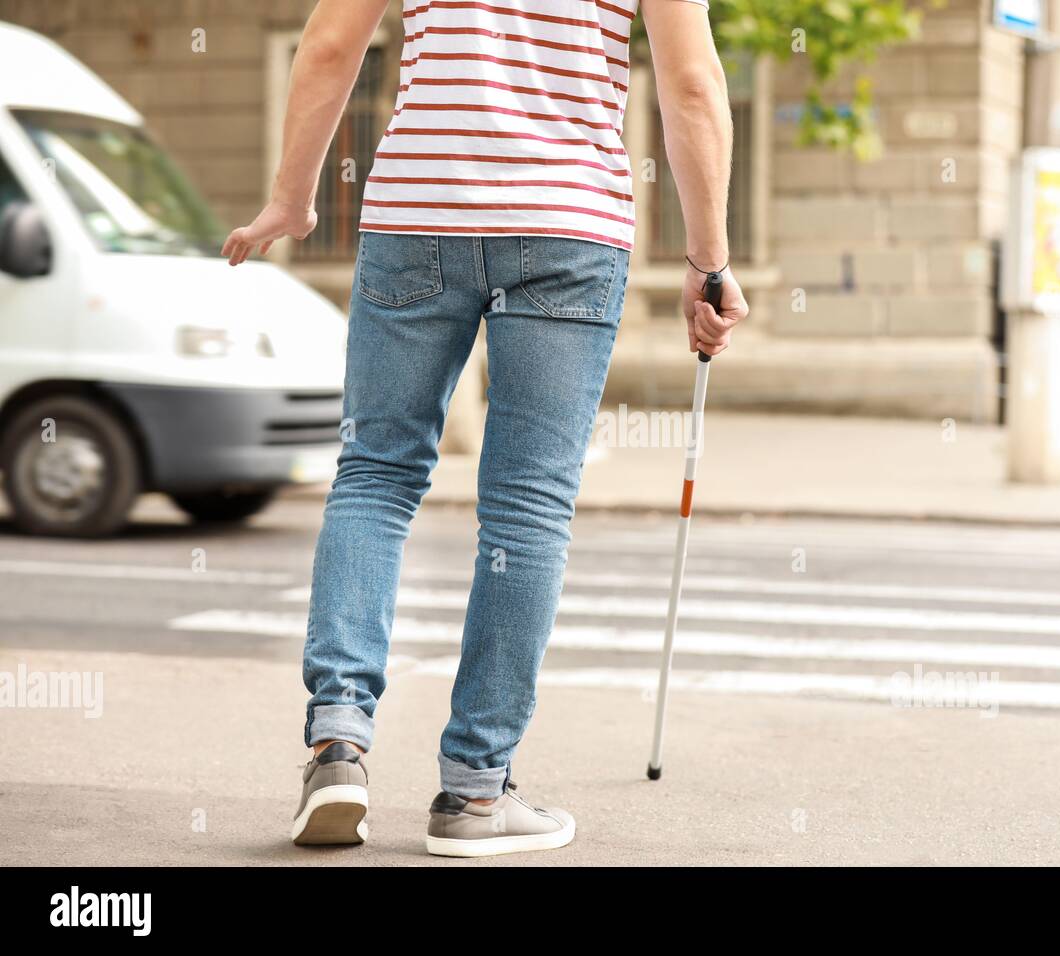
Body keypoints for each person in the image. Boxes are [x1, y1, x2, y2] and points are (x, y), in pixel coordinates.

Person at [223, 0, 747, 857]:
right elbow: (692, 84)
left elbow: (327, 46)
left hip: (416, 216)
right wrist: (708, 261)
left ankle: (338, 744)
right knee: (528, 508)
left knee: (375, 475)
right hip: (568, 227)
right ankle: (473, 794)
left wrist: (292, 197)